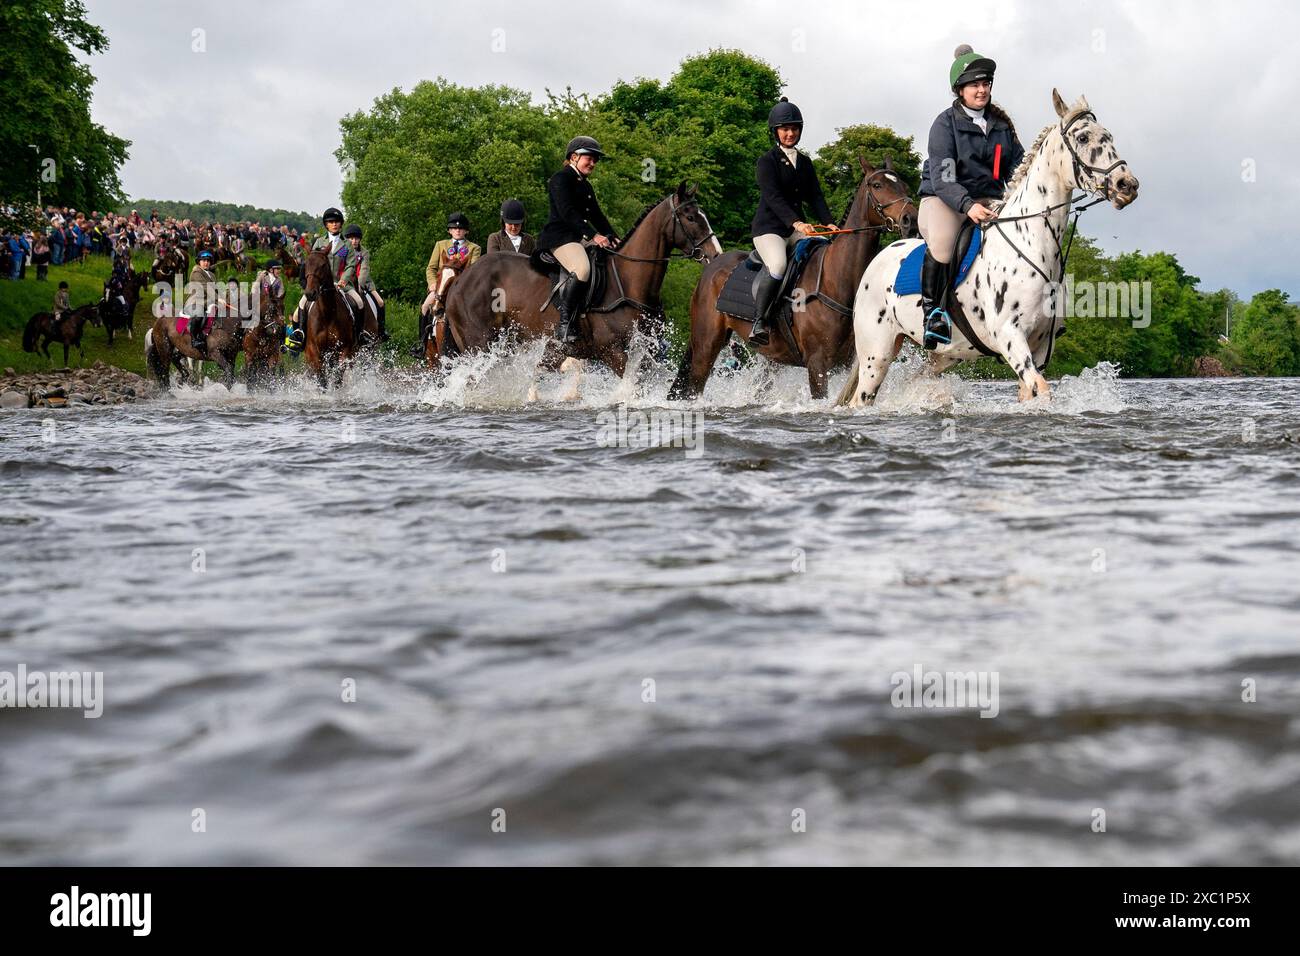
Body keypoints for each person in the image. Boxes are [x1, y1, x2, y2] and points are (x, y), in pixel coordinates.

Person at [917, 44, 1024, 348]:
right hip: (944, 198)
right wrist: (968, 205)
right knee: (943, 242)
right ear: (959, 90)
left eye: (985, 83)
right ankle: (933, 314)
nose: (981, 90)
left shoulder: (1002, 126)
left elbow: (1018, 169)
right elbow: (944, 178)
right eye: (975, 85)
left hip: (990, 200)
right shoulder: (944, 124)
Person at [747, 97, 836, 346]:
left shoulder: (805, 163)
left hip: (797, 228)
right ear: (776, 132)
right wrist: (796, 223)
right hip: (770, 229)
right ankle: (759, 321)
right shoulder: (767, 162)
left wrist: (829, 223)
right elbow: (773, 197)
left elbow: (816, 197)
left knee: (822, 250)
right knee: (777, 265)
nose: (790, 133)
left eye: (794, 129)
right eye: (785, 129)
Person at [534, 136, 620, 345]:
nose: (593, 163)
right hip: (560, 238)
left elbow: (597, 215)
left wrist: (613, 235)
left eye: (595, 160)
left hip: (579, 237)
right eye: (589, 158)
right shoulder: (560, 179)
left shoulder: (586, 186)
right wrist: (593, 236)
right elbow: (568, 213)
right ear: (574, 157)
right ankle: (565, 323)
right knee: (582, 269)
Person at [414, 212, 481, 355]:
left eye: (461, 228)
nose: (458, 230)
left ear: (466, 231)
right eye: (454, 228)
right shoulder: (440, 245)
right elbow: (431, 268)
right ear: (449, 230)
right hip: (440, 288)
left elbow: (472, 272)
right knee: (425, 306)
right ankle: (421, 343)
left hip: (461, 290)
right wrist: (432, 284)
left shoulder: (474, 248)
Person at [285, 207, 347, 353]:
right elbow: (312, 262)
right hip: (319, 285)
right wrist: (308, 282)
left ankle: (357, 334)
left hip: (339, 284)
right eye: (331, 222)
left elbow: (349, 264)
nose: (334, 224)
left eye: (337, 221)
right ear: (326, 224)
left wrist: (343, 280)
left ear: (341, 224)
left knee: (358, 303)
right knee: (298, 310)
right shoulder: (319, 242)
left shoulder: (346, 244)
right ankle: (299, 337)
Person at [339, 224, 386, 341]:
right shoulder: (343, 251)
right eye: (351, 238)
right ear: (347, 239)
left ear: (360, 239)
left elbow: (364, 270)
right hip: (345, 282)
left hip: (364, 282)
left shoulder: (364, 252)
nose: (354, 241)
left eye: (356, 238)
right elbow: (339, 267)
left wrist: (359, 284)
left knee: (380, 302)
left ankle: (381, 330)